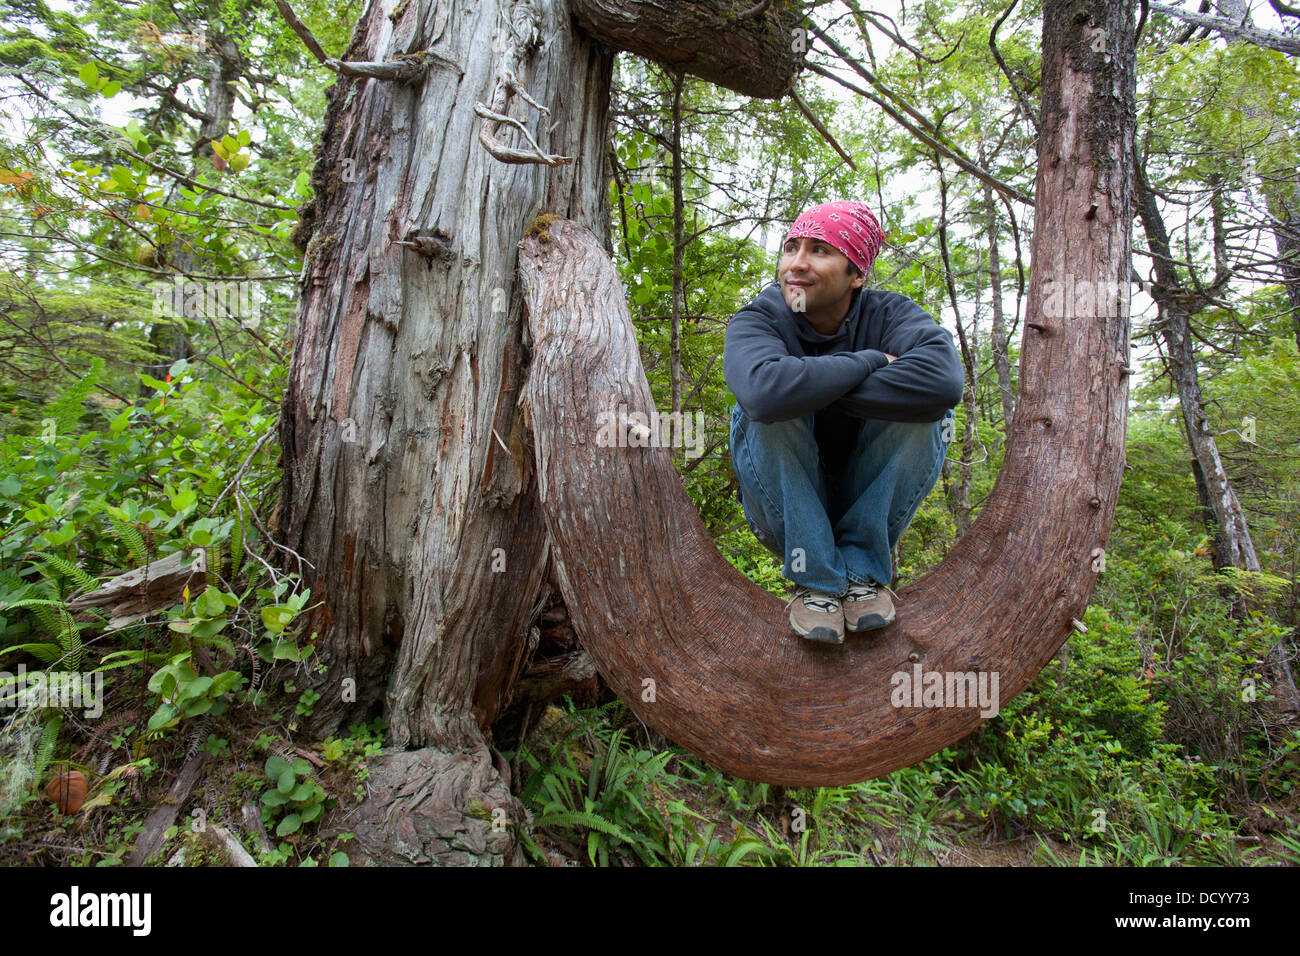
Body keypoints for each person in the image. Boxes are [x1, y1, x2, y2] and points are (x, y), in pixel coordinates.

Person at [723, 200, 963, 644]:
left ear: (857, 274)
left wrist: (807, 386)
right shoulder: (761, 317)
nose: (796, 264)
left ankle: (859, 574)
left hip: (861, 498)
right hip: (783, 507)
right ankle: (814, 579)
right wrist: (871, 361)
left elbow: (943, 382)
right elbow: (762, 391)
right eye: (791, 246)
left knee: (930, 414)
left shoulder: (891, 315)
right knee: (766, 410)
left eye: (819, 250)